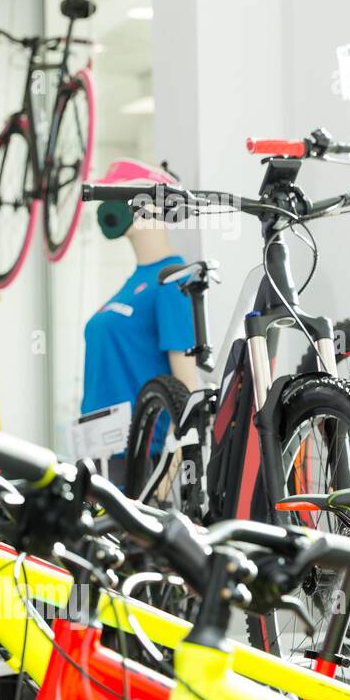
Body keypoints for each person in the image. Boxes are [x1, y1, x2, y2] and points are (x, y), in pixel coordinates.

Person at [82, 159, 198, 482]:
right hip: (98, 456)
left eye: (115, 194)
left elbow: (187, 386)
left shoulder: (171, 280)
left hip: (138, 462)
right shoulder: (136, 281)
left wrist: (170, 471)